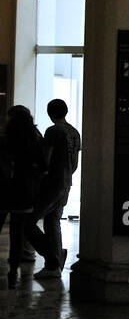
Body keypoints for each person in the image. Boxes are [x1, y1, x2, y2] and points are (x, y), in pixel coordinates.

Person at [28, 99, 81, 281]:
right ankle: (55, 265)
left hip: (52, 183)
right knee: (53, 222)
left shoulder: (53, 131)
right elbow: (74, 163)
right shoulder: (75, 133)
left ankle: (53, 258)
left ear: (49, 113)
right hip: (66, 183)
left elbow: (46, 158)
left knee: (28, 222)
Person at [0, 106, 47, 289]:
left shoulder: (4, 140)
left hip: (4, 189)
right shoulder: (34, 139)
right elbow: (43, 166)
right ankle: (13, 270)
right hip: (24, 190)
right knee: (18, 232)